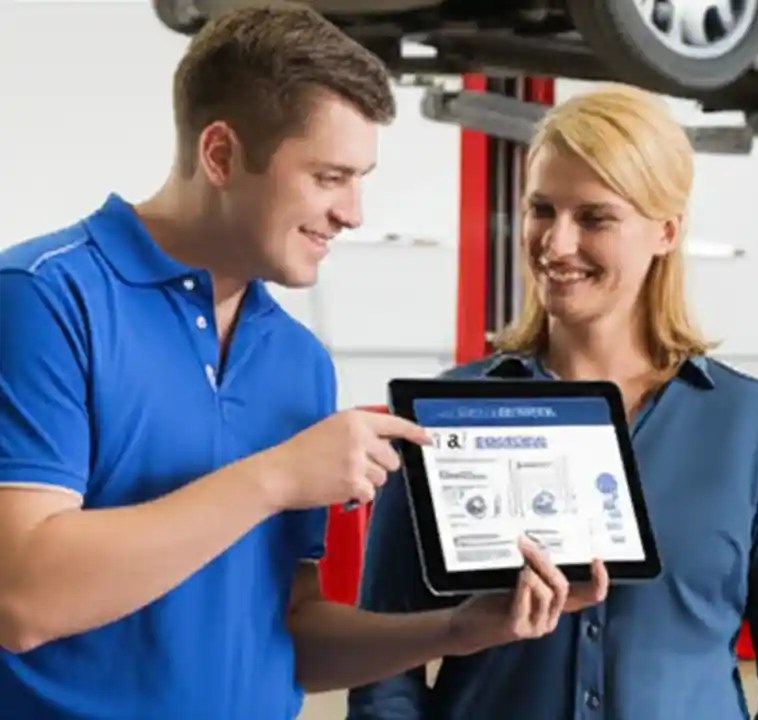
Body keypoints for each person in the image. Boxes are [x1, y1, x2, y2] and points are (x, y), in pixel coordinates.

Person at [0, 5, 606, 719]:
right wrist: (279, 476)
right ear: (220, 155)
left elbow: (290, 633)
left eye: (360, 178)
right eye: (329, 176)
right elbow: (23, 598)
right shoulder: (43, 299)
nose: (353, 211)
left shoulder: (298, 361)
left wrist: (458, 630)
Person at [347, 83, 758, 720]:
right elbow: (383, 674)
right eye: (542, 210)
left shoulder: (754, 428)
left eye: (595, 218)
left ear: (665, 231)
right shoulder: (442, 418)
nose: (557, 244)